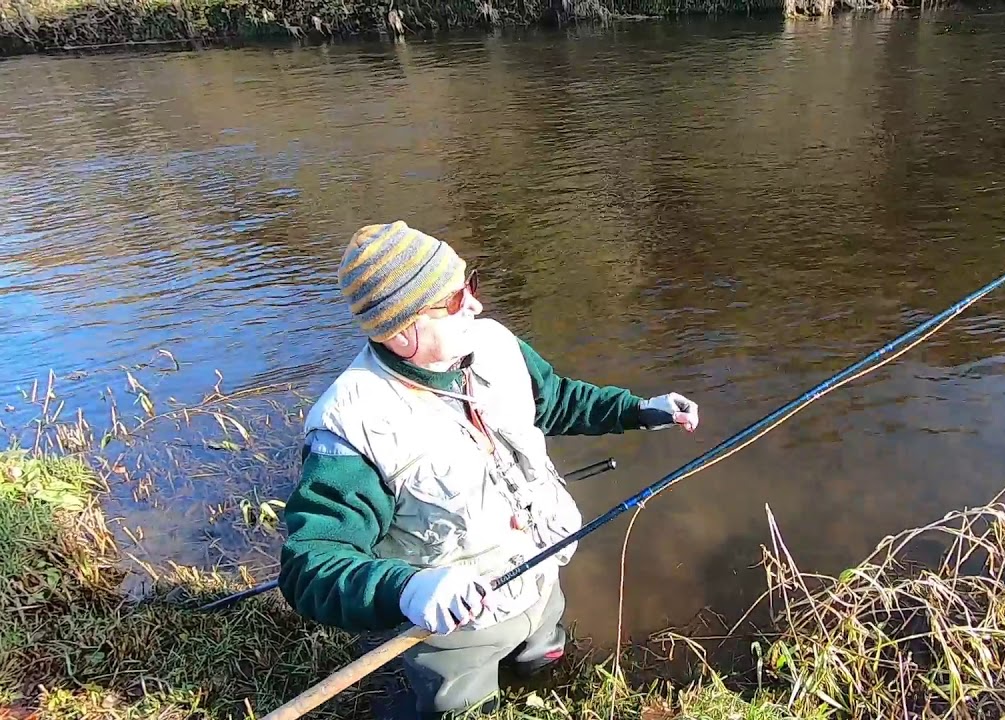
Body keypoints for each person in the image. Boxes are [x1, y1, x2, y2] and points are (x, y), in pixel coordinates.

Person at [277, 220, 700, 719]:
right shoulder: (349, 425)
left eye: (470, 285)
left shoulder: (493, 343)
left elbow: (558, 400)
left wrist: (638, 410)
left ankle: (540, 674)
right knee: (458, 706)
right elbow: (309, 565)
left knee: (544, 656)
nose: (476, 305)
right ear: (402, 329)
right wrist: (408, 589)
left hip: (541, 579)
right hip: (454, 636)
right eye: (455, 299)